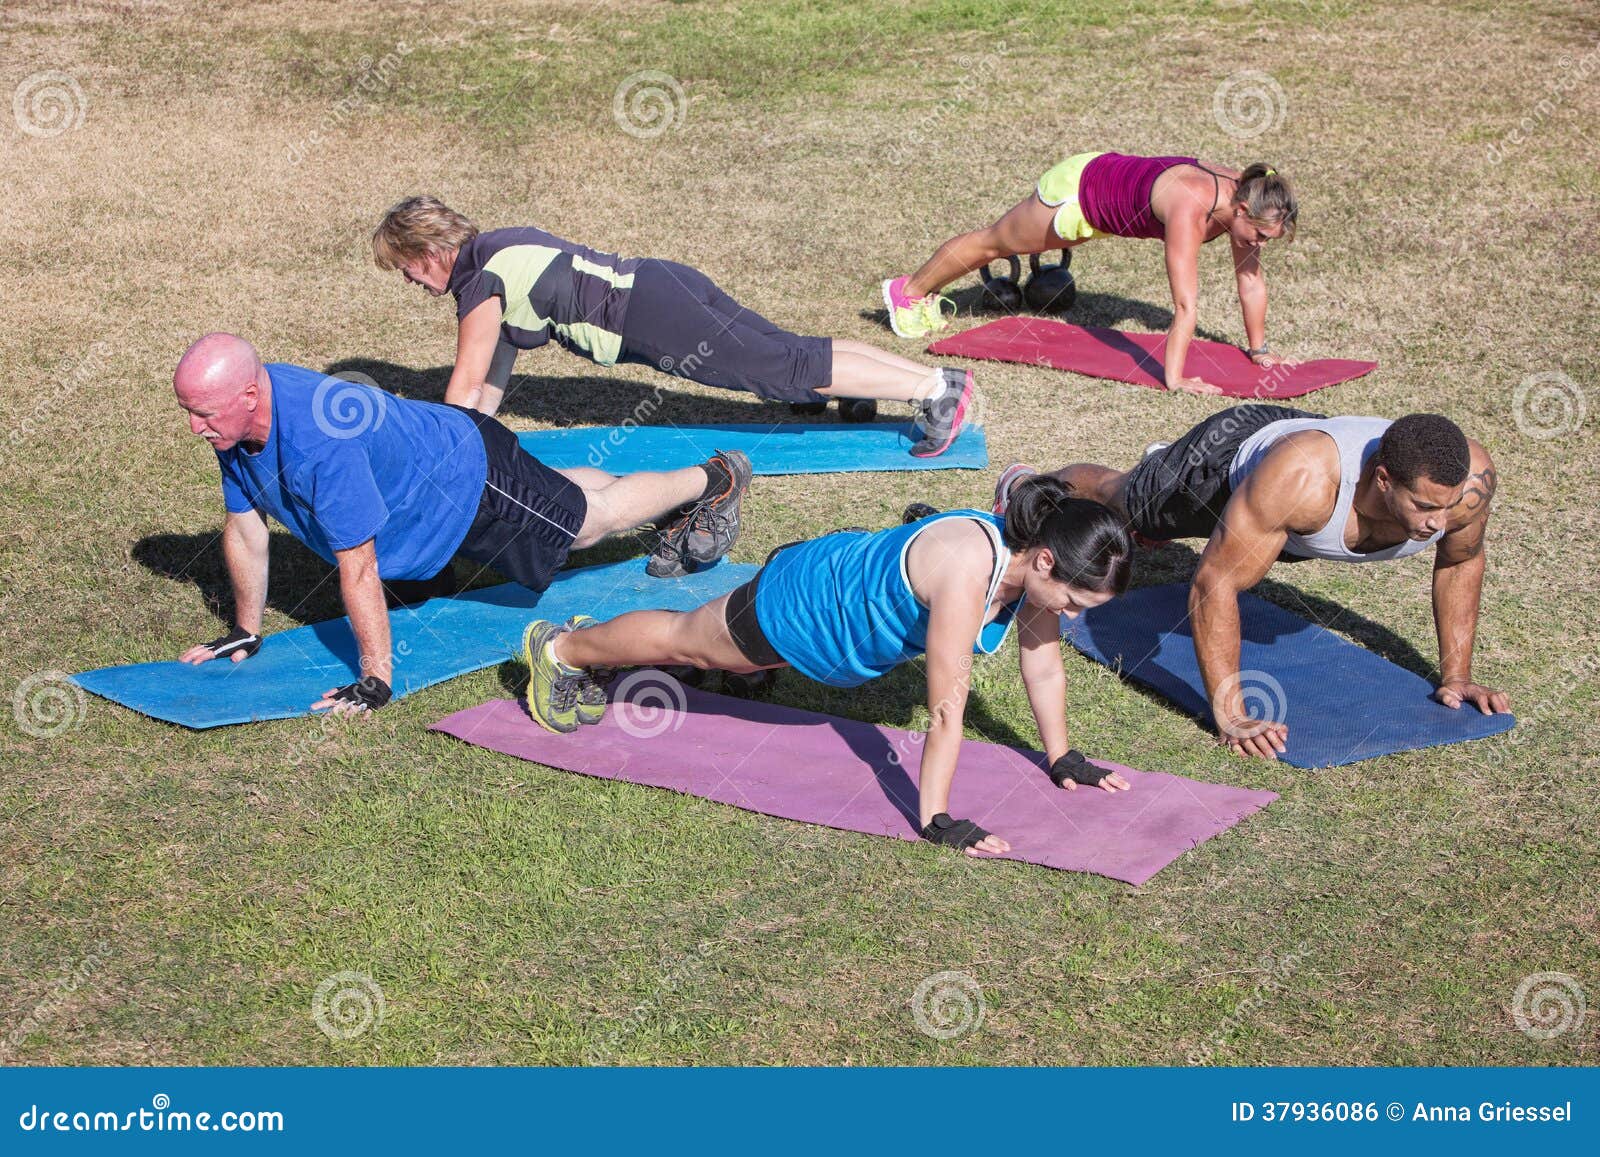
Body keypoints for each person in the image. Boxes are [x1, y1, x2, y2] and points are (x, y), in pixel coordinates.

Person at [520, 478, 1136, 856]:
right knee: (689, 643)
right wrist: (938, 818)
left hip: (840, 603)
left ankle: (709, 662)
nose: (1071, 617)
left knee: (726, 658)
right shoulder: (966, 573)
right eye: (1075, 603)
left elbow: (1044, 661)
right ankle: (561, 651)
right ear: (1048, 560)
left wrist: (1063, 757)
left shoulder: (1031, 574)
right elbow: (947, 705)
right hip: (805, 605)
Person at [171, 333, 752, 714]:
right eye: (190, 413)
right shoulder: (239, 422)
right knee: (556, 494)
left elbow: (360, 563)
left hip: (467, 477)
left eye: (203, 414)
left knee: (585, 525)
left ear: (250, 393)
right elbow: (245, 527)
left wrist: (375, 677)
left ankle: (712, 480)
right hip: (439, 471)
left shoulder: (319, 443)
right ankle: (679, 486)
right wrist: (245, 629)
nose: (195, 429)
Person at [993, 407, 1509, 758]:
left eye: (1446, 507)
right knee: (1130, 502)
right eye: (1423, 507)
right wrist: (1232, 713)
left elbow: (1461, 563)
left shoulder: (1466, 490)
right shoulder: (1303, 483)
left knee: (1244, 537)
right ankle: (1026, 488)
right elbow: (1212, 584)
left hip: (1286, 510)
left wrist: (1456, 676)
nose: (1437, 523)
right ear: (1381, 481)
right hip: (1223, 462)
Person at [371, 196, 976, 458]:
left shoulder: (478, 284)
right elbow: (493, 377)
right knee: (792, 354)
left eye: (405, 269)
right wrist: (482, 434)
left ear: (427, 253)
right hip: (661, 281)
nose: (409, 282)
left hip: (651, 318)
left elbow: (465, 384)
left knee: (788, 368)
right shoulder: (495, 250)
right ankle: (931, 379)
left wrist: (447, 450)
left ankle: (934, 394)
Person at [881, 155, 1298, 394]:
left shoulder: (1247, 193)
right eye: (1260, 235)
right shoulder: (1192, 205)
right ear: (1241, 211)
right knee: (995, 242)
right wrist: (1175, 378)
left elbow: (1251, 280)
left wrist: (1259, 350)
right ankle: (907, 292)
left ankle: (921, 291)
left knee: (1003, 243)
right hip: (1077, 194)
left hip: (1105, 183)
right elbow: (1185, 303)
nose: (1258, 245)